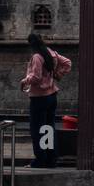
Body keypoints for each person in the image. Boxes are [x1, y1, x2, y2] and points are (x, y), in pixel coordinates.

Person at [20, 32, 71, 168]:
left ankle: (40, 160)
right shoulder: (51, 53)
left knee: (38, 129)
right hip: (51, 96)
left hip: (39, 99)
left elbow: (35, 78)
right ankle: (50, 159)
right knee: (48, 128)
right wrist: (57, 75)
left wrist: (24, 81)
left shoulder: (37, 57)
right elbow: (67, 63)